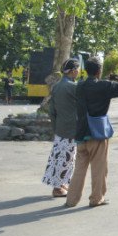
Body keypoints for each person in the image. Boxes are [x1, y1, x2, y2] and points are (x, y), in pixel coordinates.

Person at [65, 57, 118, 208]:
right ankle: (96, 198)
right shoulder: (104, 85)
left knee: (79, 168)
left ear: (86, 70)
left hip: (81, 132)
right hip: (97, 133)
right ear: (99, 71)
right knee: (99, 168)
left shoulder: (79, 85)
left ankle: (71, 199)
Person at [42, 59, 80, 198]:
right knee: (66, 159)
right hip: (71, 128)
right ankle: (58, 188)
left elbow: (52, 111)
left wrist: (55, 127)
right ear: (74, 71)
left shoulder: (56, 86)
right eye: (78, 69)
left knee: (59, 158)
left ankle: (62, 184)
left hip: (60, 128)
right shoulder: (72, 86)